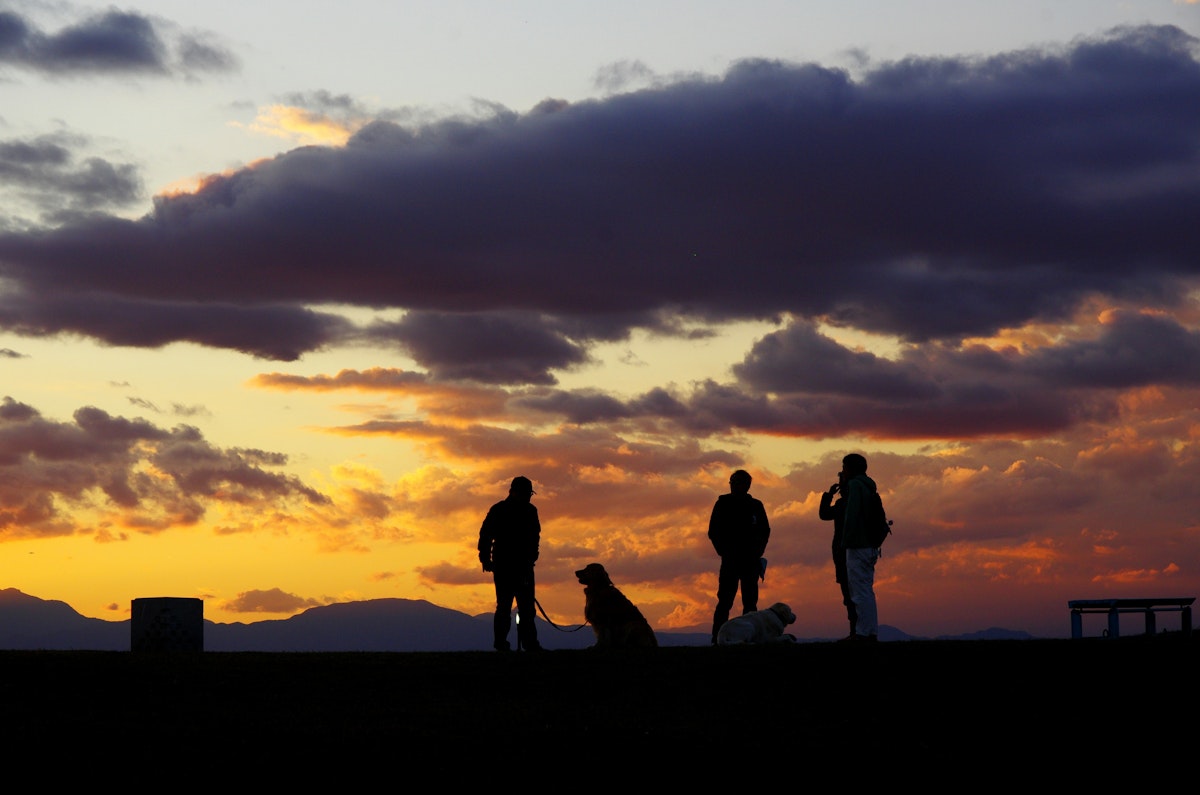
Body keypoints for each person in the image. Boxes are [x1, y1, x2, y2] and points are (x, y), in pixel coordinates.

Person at [477, 475, 543, 652]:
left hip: (519, 566)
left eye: (529, 494)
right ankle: (505, 644)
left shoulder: (527, 511)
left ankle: (526, 644)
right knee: (507, 607)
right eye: (526, 493)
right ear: (513, 492)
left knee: (524, 608)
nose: (528, 497)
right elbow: (485, 535)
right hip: (506, 567)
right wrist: (485, 558)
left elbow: (534, 538)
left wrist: (531, 558)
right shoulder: (501, 510)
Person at [707, 469, 772, 645]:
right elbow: (713, 531)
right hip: (730, 560)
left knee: (750, 602)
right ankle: (717, 638)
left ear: (748, 485)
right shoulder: (722, 504)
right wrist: (723, 551)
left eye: (739, 482)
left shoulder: (756, 505)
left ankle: (749, 637)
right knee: (725, 600)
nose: (735, 486)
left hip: (750, 560)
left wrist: (758, 551)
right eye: (733, 482)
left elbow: (765, 530)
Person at [839, 453, 880, 643]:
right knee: (866, 590)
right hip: (870, 544)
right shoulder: (868, 486)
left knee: (858, 591)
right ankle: (869, 631)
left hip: (857, 544)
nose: (842, 471)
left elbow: (852, 515)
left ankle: (863, 633)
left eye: (844, 467)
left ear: (851, 468)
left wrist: (845, 540)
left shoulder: (855, 485)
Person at [819, 468, 857, 641]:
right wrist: (829, 496)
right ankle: (857, 631)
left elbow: (824, 514)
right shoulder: (843, 504)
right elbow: (825, 514)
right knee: (851, 593)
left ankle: (856, 631)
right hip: (843, 553)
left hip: (845, 552)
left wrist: (829, 495)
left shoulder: (844, 504)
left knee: (850, 594)